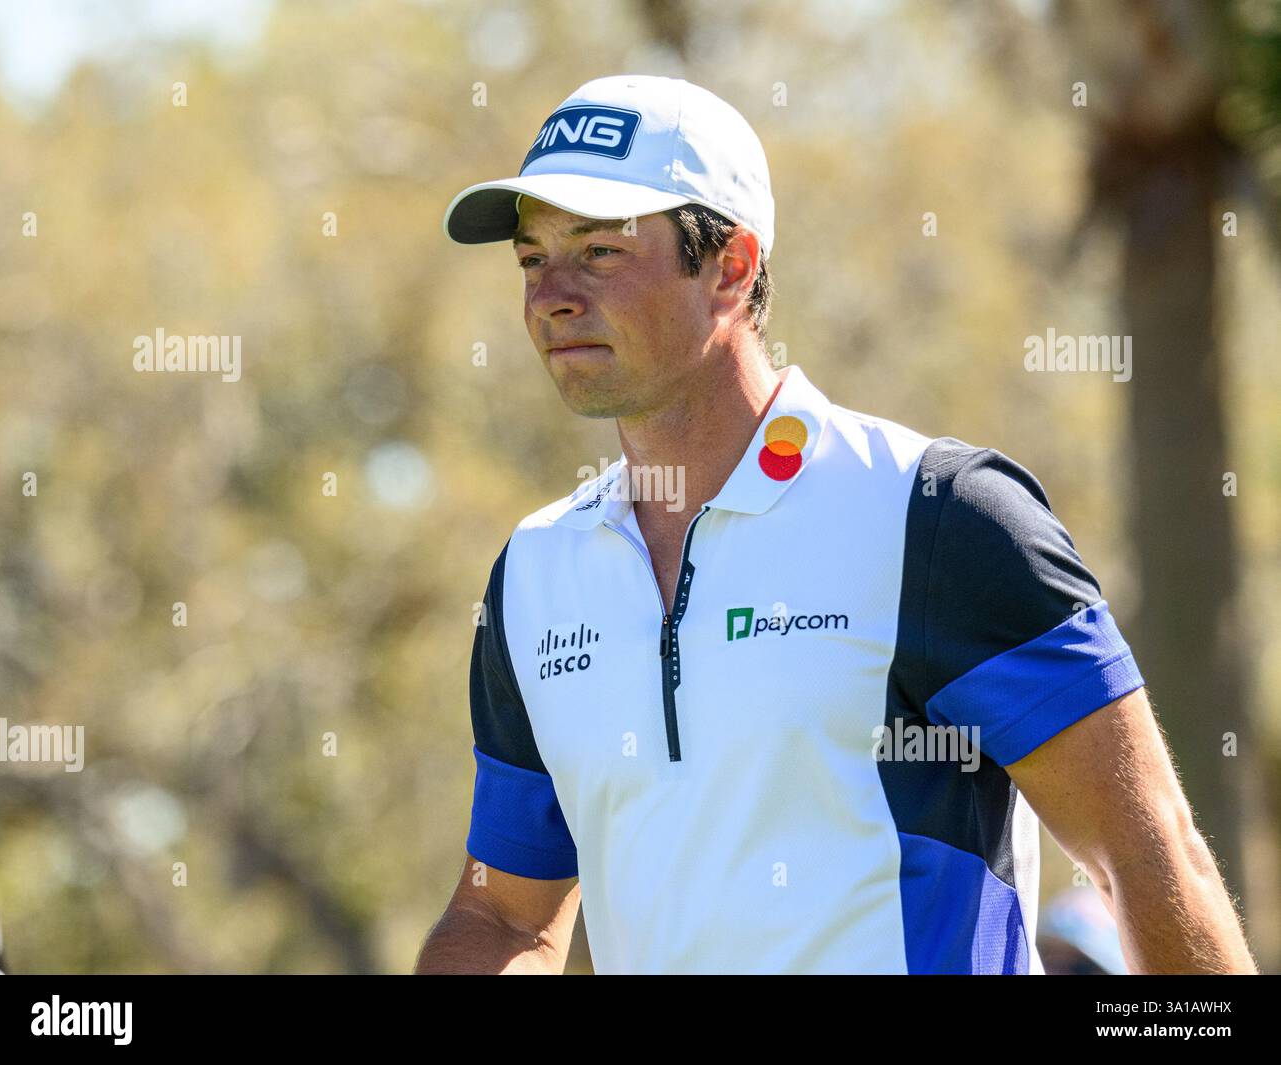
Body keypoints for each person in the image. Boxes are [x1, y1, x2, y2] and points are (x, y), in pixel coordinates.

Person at [417, 74, 1257, 975]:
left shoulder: (940, 515)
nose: (552, 295)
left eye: (599, 253)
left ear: (731, 267)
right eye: (532, 259)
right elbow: (504, 917)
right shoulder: (536, 573)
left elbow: (1147, 856)